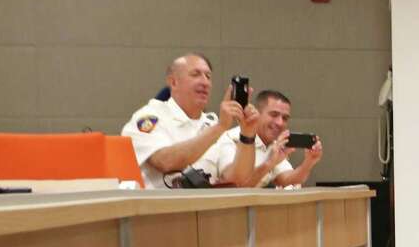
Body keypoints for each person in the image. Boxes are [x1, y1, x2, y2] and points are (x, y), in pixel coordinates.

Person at [121, 53, 248, 189]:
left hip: (208, 202)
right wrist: (220, 127)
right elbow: (165, 162)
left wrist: (248, 135)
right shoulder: (150, 117)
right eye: (195, 74)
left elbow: (235, 179)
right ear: (173, 82)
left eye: (208, 76)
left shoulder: (212, 123)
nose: (205, 82)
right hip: (162, 202)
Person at [194, 90, 323, 188]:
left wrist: (309, 162)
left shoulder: (273, 145)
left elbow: (287, 179)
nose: (279, 122)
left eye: (285, 118)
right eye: (274, 115)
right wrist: (269, 163)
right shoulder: (231, 139)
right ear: (258, 113)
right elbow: (234, 187)